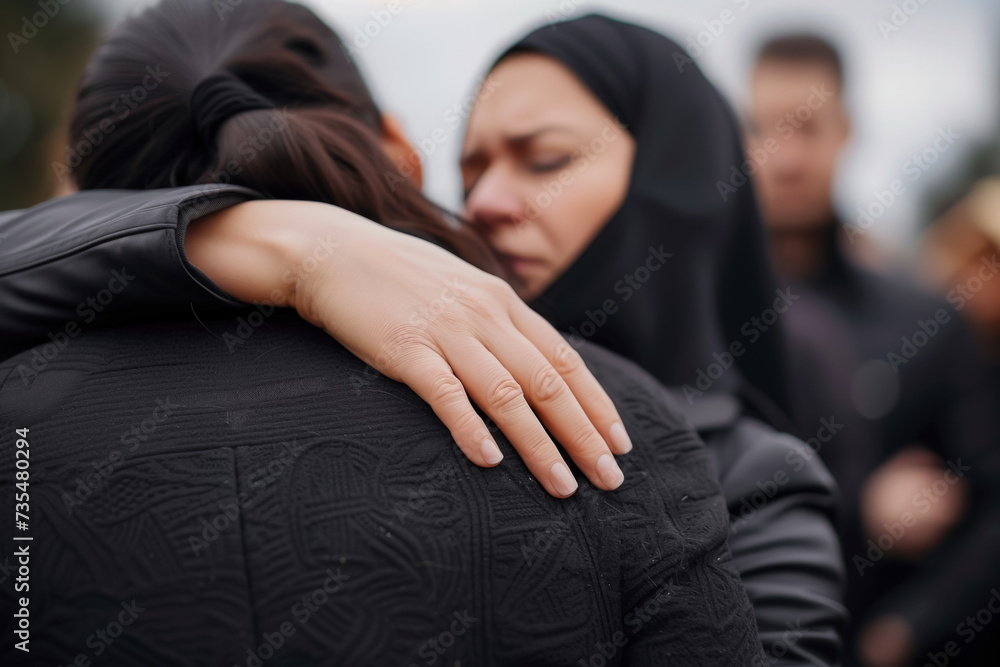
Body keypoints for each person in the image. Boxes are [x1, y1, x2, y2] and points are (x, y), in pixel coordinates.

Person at [0, 8, 846, 664]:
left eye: (542, 160)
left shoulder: (755, 481)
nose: (483, 204)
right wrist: (278, 245)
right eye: (470, 168)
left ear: (682, 182)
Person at [746, 34, 1000, 666]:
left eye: (807, 128)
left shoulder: (926, 320)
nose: (786, 157)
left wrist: (911, 630)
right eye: (763, 128)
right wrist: (860, 508)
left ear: (846, 132)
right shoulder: (691, 319)